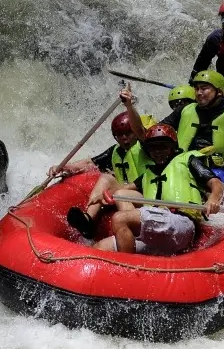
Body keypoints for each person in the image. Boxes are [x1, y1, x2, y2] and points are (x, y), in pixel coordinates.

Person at [93, 124, 224, 255]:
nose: (157, 152)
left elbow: (217, 184)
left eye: (163, 147)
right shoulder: (148, 174)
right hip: (157, 230)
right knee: (100, 247)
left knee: (120, 219)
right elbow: (123, 190)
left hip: (181, 223)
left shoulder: (187, 160)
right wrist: (103, 196)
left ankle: (129, 267)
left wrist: (212, 199)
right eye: (153, 149)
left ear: (172, 147)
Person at [49, 88, 151, 239]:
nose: (124, 139)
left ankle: (133, 234)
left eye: (128, 133)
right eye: (119, 135)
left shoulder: (146, 146)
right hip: (124, 194)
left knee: (120, 193)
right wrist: (63, 167)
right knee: (105, 178)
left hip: (146, 195)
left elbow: (141, 130)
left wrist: (129, 105)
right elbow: (90, 163)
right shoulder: (115, 151)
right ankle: (88, 220)